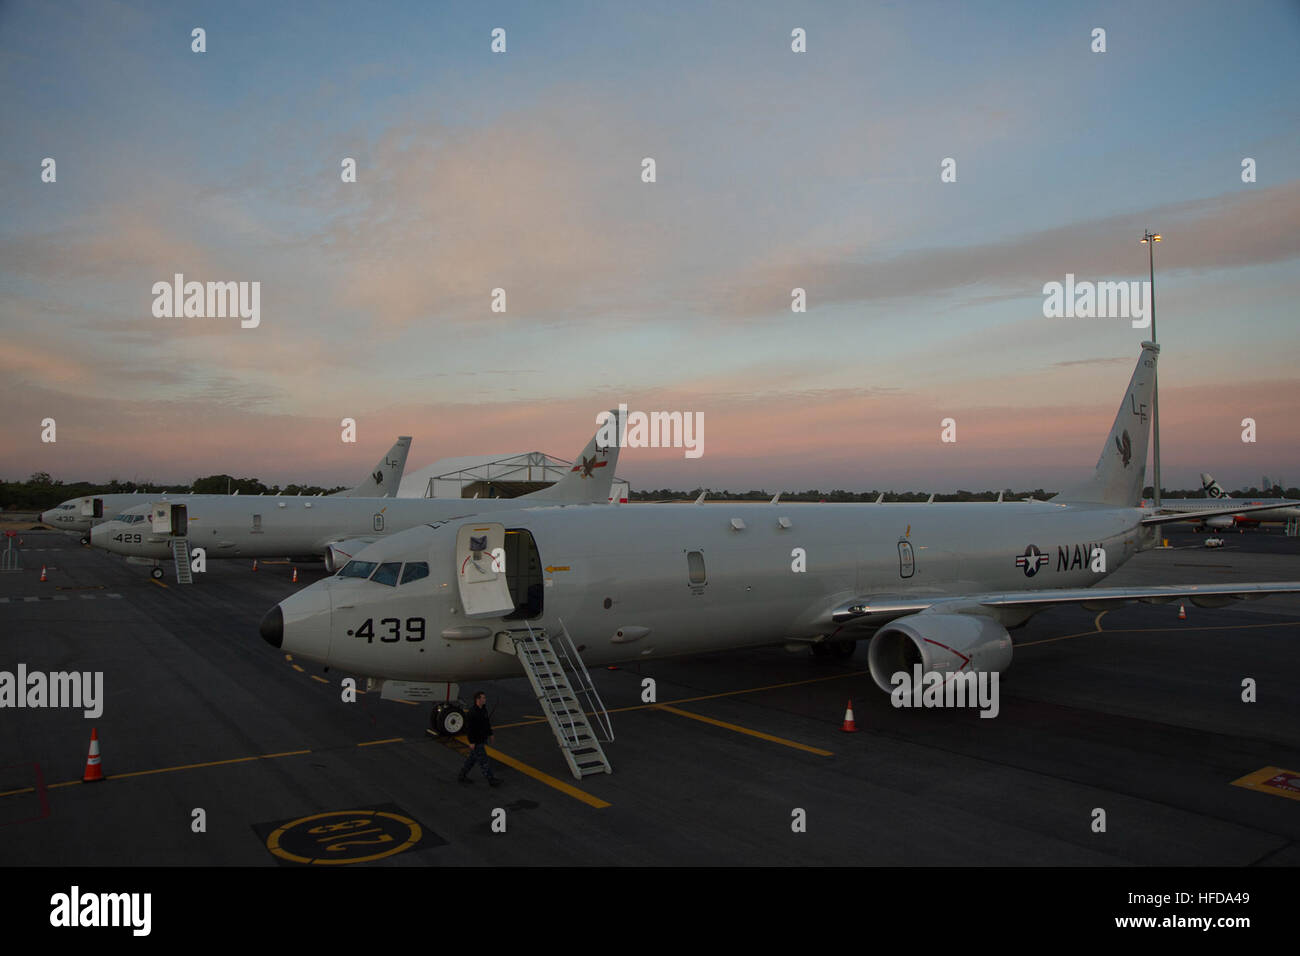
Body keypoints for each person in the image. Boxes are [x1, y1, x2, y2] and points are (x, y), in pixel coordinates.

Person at [458, 691, 502, 787]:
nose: (485, 699)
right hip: (477, 741)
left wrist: (490, 734)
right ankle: (491, 779)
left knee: (471, 759)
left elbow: (486, 723)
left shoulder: (483, 709)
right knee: (484, 761)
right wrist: (472, 742)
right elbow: (469, 729)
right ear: (478, 699)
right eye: (483, 698)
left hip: (482, 738)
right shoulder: (472, 713)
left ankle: (462, 775)